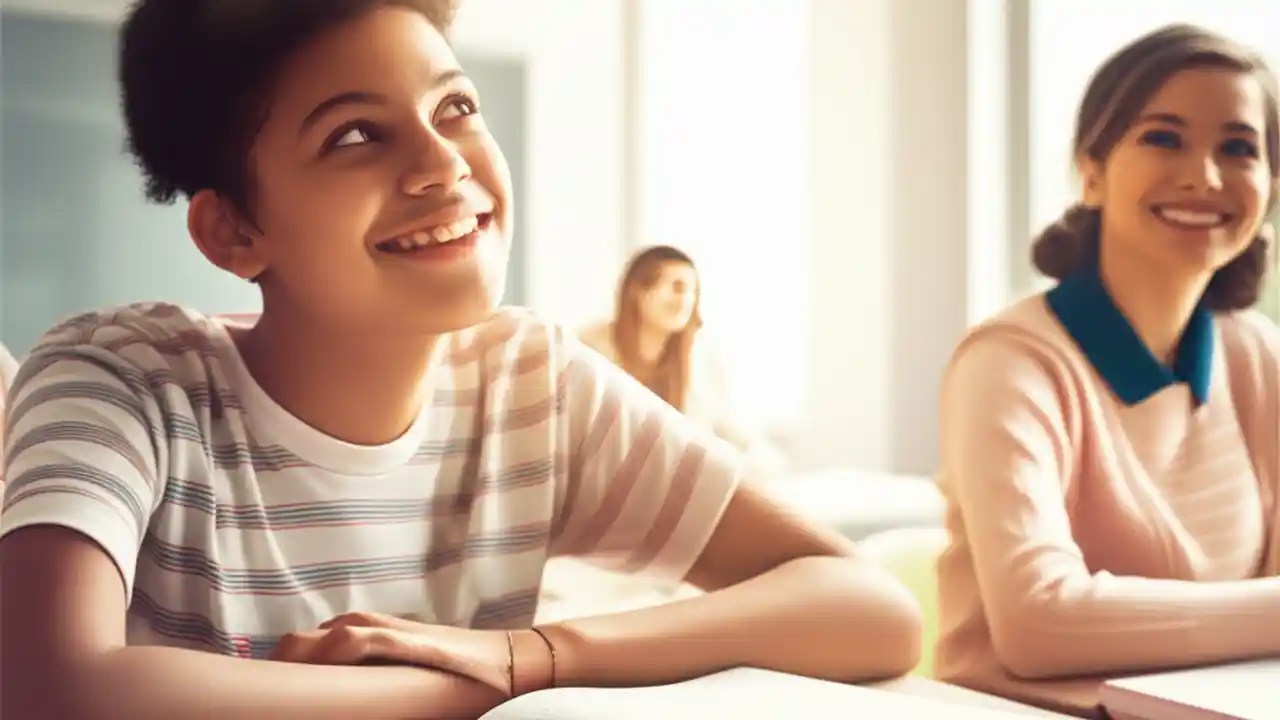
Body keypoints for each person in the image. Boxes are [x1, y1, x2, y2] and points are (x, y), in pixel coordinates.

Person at [0, 3, 922, 719]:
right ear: (234, 230)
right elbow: (50, 691)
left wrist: (535, 656)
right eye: (355, 134)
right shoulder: (117, 377)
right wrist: (466, 685)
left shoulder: (532, 386)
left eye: (455, 107)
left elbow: (872, 611)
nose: (445, 165)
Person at [934, 24, 1280, 717]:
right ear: (1090, 173)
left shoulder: (1256, 355)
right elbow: (1037, 625)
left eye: (1238, 149)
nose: (1205, 175)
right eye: (1164, 137)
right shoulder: (1010, 362)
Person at [578, 245, 785, 473]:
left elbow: (727, 424)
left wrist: (764, 460)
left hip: (685, 477)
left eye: (692, 291)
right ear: (639, 290)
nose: (685, 300)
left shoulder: (702, 354)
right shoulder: (590, 349)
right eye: (677, 287)